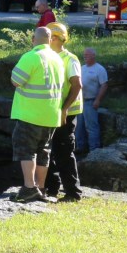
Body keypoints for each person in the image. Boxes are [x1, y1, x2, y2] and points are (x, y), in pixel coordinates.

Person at [9, 26, 65, 203]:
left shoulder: (31, 57)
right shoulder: (57, 59)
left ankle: (29, 188)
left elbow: (16, 81)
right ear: (50, 40)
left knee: (27, 150)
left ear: (33, 39)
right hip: (51, 115)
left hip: (30, 114)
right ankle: (40, 188)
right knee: (44, 151)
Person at [43, 22, 83, 202]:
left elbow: (77, 85)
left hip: (66, 112)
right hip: (52, 111)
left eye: (48, 37)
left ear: (55, 38)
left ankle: (72, 193)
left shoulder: (70, 59)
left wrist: (65, 109)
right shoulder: (48, 57)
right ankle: (51, 188)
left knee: (64, 152)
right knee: (47, 150)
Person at [75, 47, 109, 153]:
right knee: (78, 127)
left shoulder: (99, 69)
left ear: (93, 56)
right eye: (84, 55)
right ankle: (80, 147)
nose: (85, 57)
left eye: (87, 55)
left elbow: (104, 85)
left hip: (91, 101)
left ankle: (94, 150)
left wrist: (98, 100)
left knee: (91, 127)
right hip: (80, 101)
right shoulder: (82, 68)